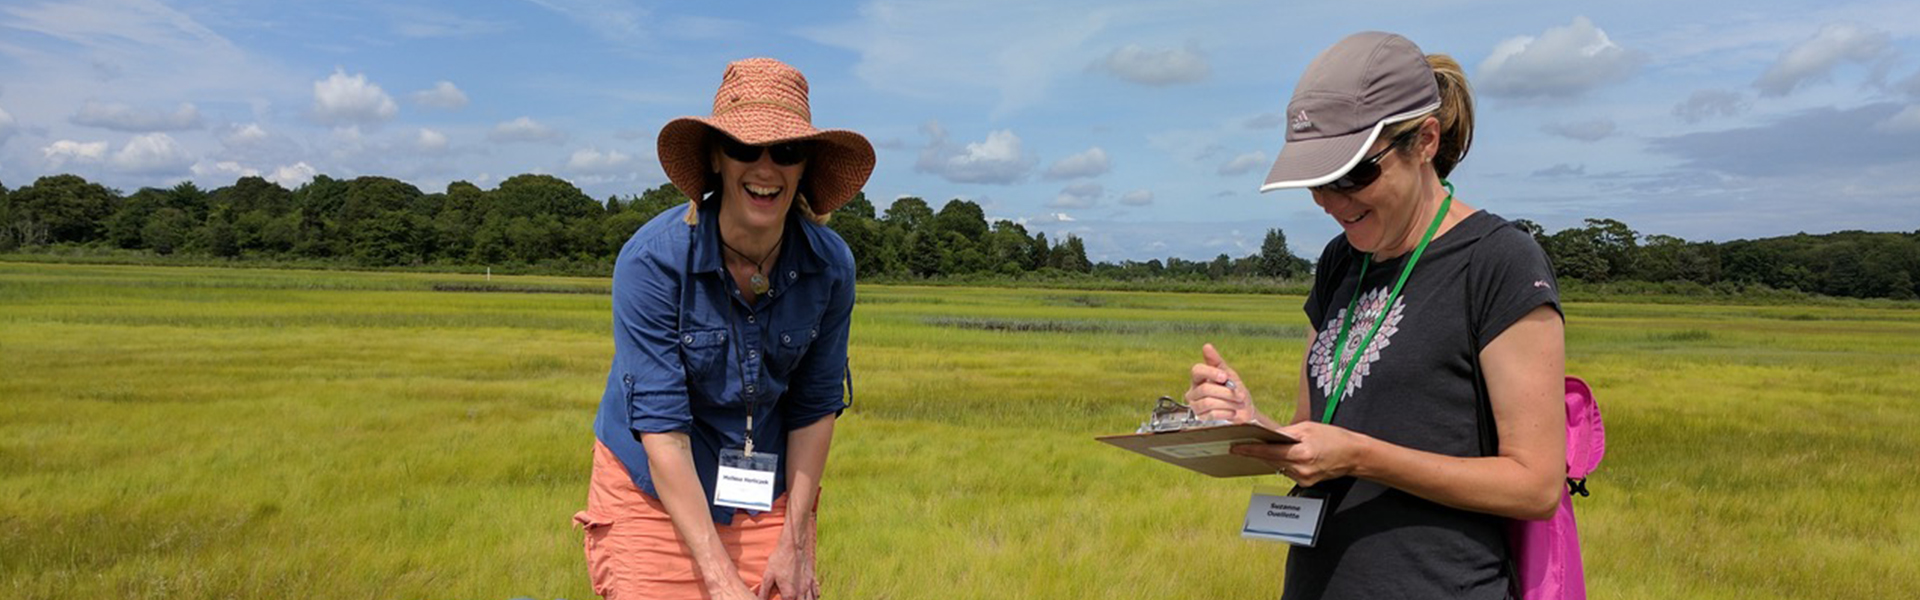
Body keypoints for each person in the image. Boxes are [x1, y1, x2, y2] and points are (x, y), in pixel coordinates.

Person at [1184, 32, 1567, 599]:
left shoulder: (1498, 261)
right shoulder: (1341, 261)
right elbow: (1310, 436)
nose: (1332, 202)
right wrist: (1251, 422)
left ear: (1426, 141)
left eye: (1355, 175)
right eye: (1318, 180)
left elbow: (1534, 485)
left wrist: (1363, 455)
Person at [574, 57, 872, 600]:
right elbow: (661, 425)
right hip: (652, 489)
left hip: (765, 490)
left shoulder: (830, 265)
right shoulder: (652, 261)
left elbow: (815, 404)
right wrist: (717, 576)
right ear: (715, 156)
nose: (765, 168)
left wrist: (796, 540)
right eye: (743, 148)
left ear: (804, 165)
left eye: (784, 151)